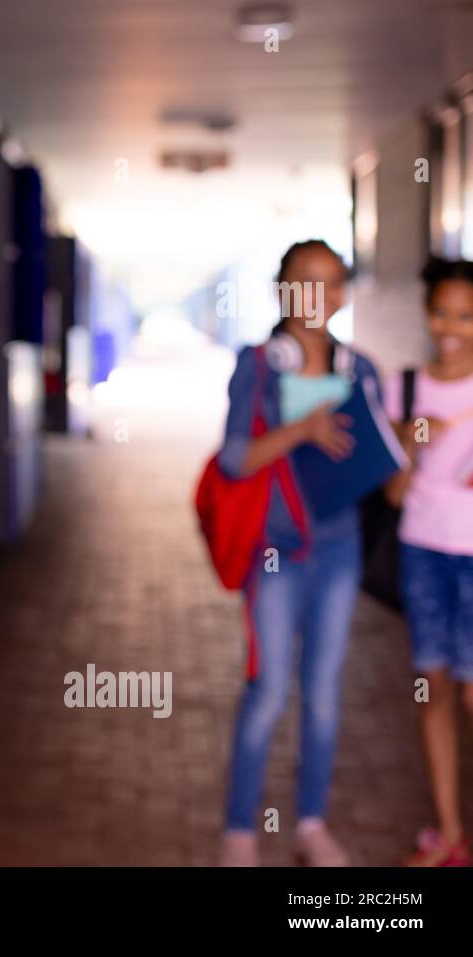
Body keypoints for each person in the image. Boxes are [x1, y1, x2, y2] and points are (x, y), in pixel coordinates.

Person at [216, 239, 382, 866]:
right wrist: (301, 431)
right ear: (283, 291)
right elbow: (235, 459)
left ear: (341, 293)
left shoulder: (362, 370)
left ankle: (311, 823)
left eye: (331, 282)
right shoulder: (258, 365)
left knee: (324, 692)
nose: (319, 295)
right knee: (267, 689)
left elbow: (382, 466)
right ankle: (239, 831)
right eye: (304, 281)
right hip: (277, 553)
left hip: (340, 549)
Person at [383, 257, 473, 867]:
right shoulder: (405, 386)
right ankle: (449, 835)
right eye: (442, 312)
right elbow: (390, 494)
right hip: (420, 552)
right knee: (432, 689)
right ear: (426, 312)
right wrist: (411, 445)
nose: (452, 327)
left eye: (467, 316)